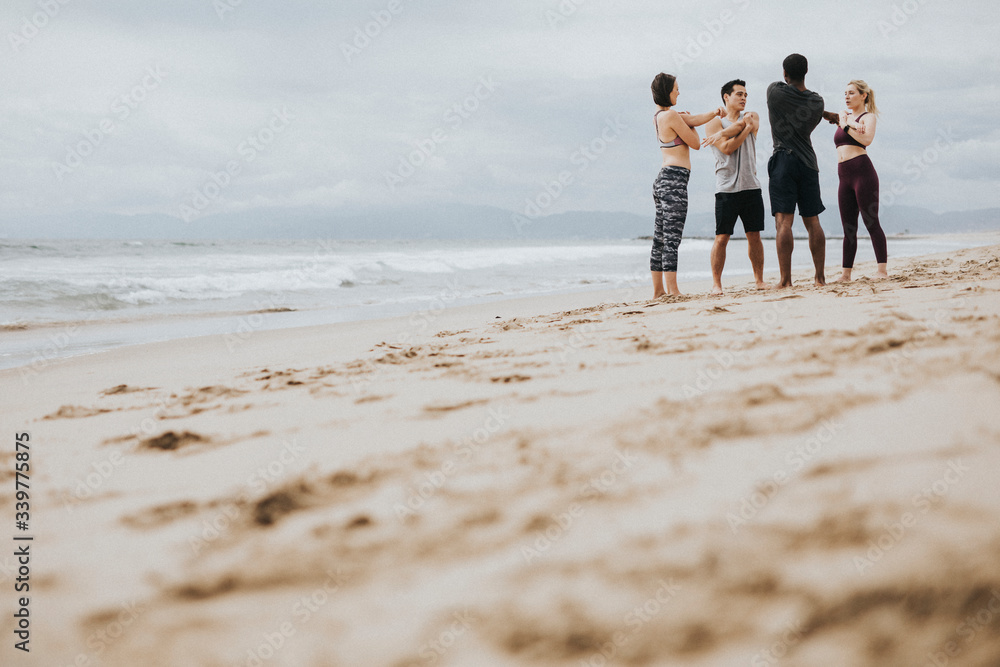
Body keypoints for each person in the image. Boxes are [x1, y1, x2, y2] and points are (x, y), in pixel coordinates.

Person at [765, 54, 839, 288]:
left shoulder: (774, 92)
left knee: (784, 222)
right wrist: (828, 114)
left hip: (783, 160)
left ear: (784, 73)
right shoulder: (817, 102)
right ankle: (820, 278)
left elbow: (785, 89)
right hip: (807, 162)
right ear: (806, 73)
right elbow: (813, 115)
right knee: (813, 222)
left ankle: (786, 280)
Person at [649, 72, 723, 298]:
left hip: (664, 179)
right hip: (674, 180)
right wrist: (691, 124)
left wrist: (712, 113)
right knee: (672, 237)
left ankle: (659, 291)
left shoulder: (661, 115)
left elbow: (695, 118)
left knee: (660, 237)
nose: (679, 92)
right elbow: (695, 142)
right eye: (676, 89)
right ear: (667, 91)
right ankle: (673, 291)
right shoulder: (671, 115)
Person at [701, 79, 770, 294]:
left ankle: (759, 280)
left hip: (751, 185)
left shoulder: (752, 116)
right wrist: (742, 129)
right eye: (739, 94)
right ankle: (716, 284)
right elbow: (728, 148)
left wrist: (740, 127)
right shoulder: (713, 123)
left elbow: (744, 125)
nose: (744, 98)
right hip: (725, 188)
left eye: (746, 95)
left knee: (754, 236)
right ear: (726, 97)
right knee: (722, 238)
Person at [834, 80, 888, 281]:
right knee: (848, 228)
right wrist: (846, 122)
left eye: (851, 93)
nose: (846, 96)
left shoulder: (868, 117)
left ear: (863, 95)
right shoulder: (846, 118)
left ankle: (882, 271)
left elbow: (866, 140)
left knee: (871, 222)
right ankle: (845, 274)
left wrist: (845, 125)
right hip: (843, 176)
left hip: (862, 173)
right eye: (845, 93)